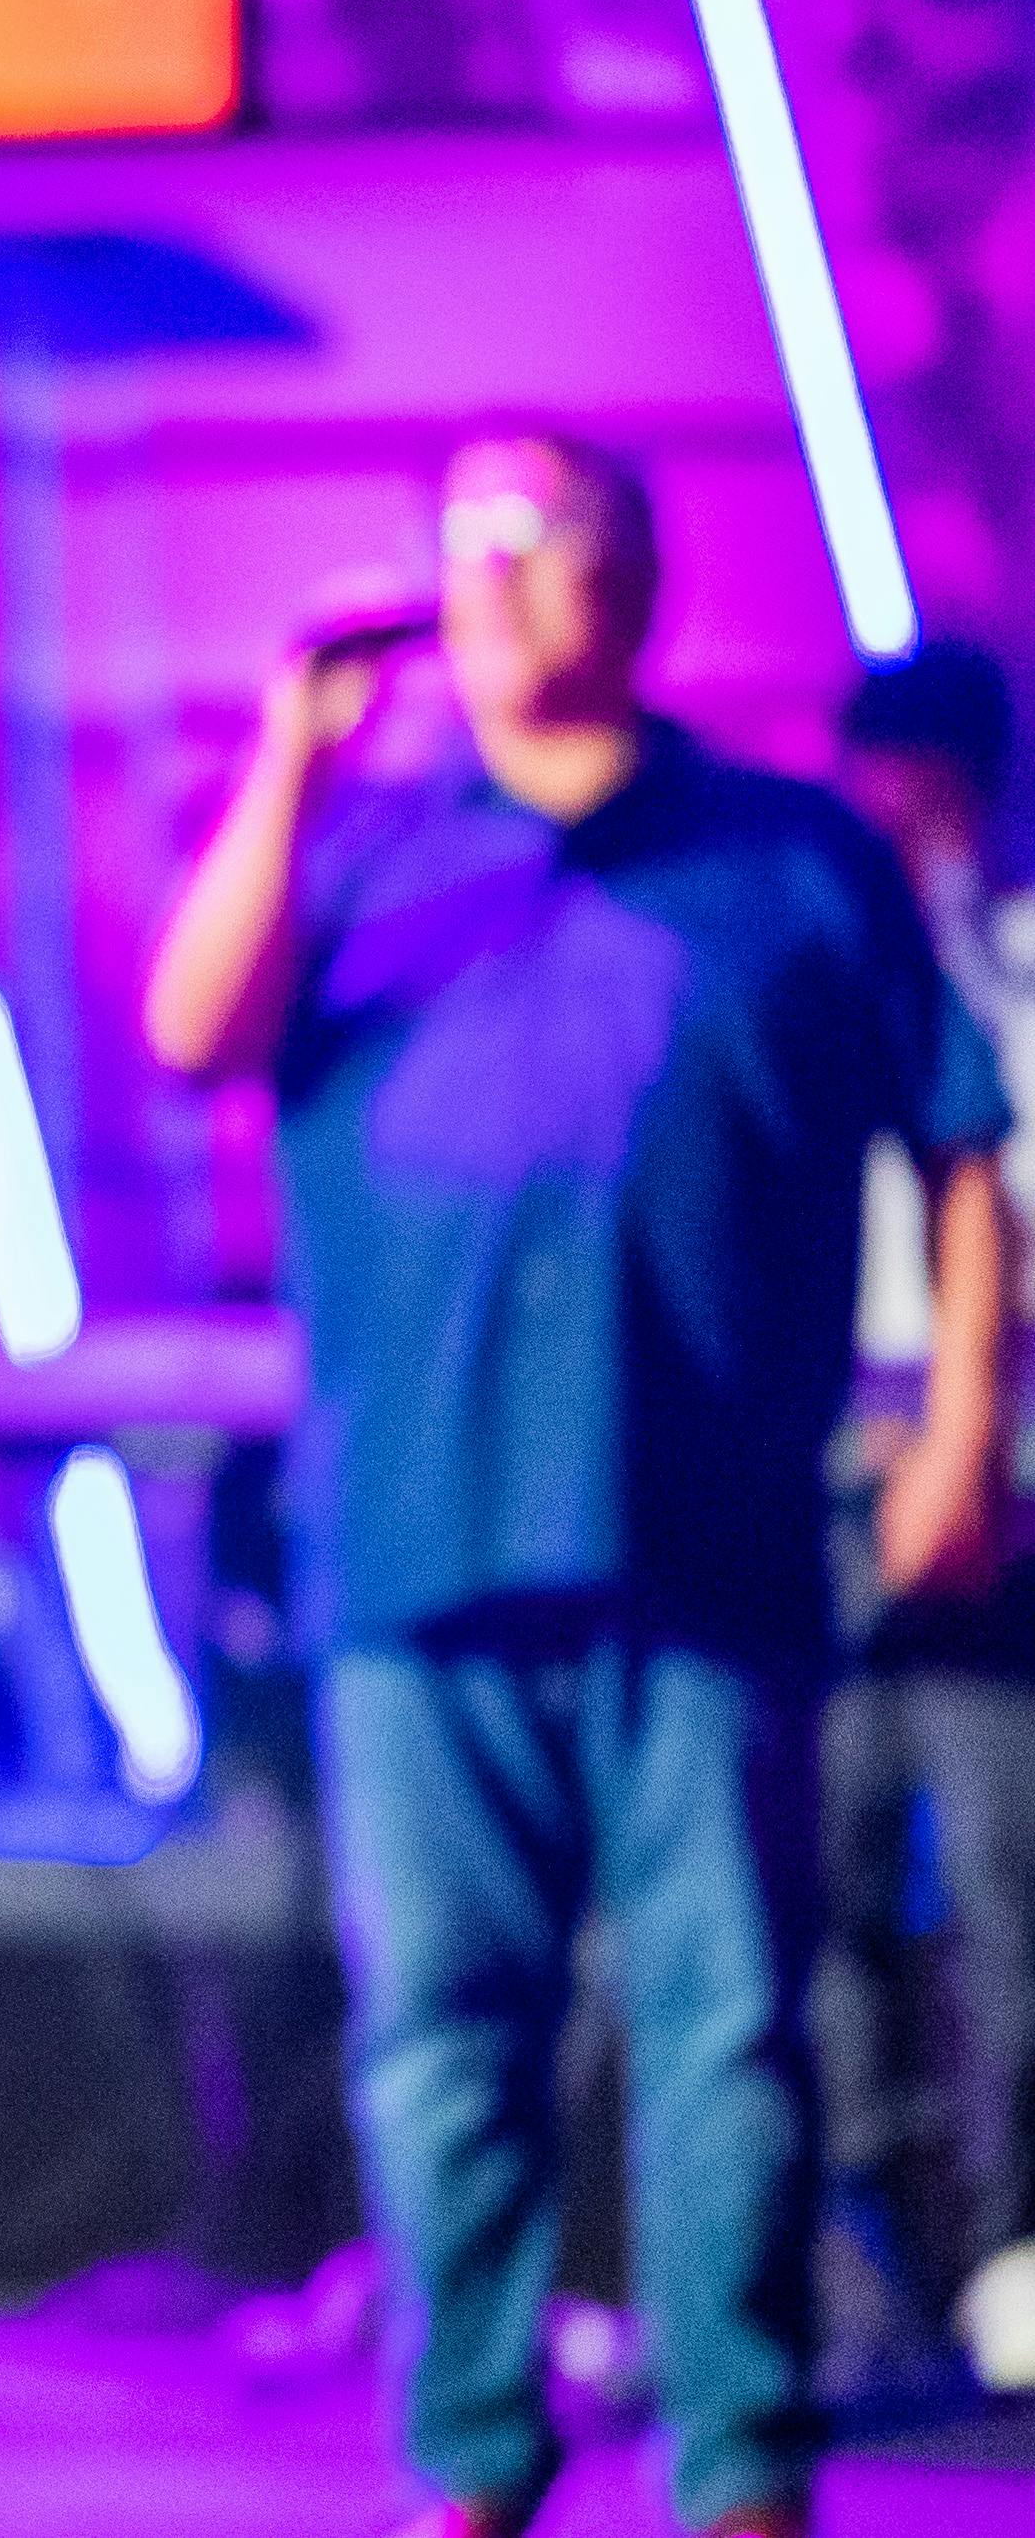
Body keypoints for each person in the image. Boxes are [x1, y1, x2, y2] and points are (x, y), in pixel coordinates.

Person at [144, 430, 1014, 2538]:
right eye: (474, 548)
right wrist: (289, 761)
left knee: (730, 2030)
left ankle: (737, 2469)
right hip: (422, 1550)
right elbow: (192, 1029)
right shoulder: (354, 852)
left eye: (553, 546)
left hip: (708, 1540)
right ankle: (469, 2465)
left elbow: (961, 1140)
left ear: (641, 586)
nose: (509, 583)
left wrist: (965, 1424)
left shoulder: (792, 861)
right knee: (444, 2041)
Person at [821, 639, 1035, 2387]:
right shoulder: (818, 959)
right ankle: (856, 2257)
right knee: (809, 1888)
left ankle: (1011, 2263)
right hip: (820, 1472)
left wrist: (972, 1435)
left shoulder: (1019, 968)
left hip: (1000, 1481)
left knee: (1002, 1880)